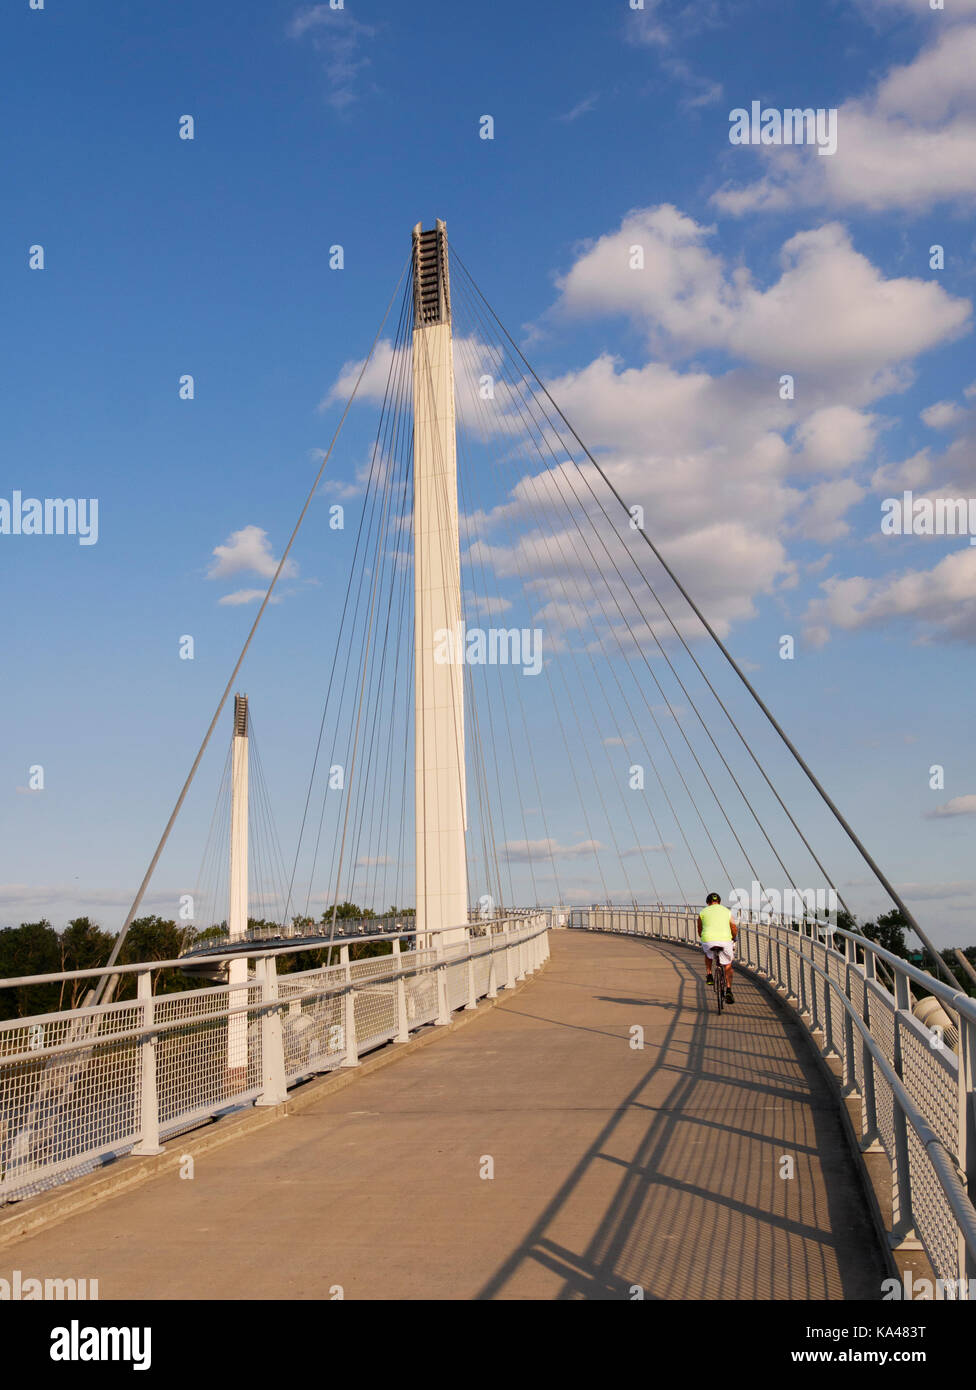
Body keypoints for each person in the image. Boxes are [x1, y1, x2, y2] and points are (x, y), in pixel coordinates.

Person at [698, 892, 737, 1004]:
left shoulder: (702, 912)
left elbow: (700, 930)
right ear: (719, 902)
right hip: (725, 941)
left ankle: (709, 974)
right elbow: (733, 927)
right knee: (728, 964)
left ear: (707, 902)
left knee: (708, 954)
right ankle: (729, 990)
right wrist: (733, 938)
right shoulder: (727, 911)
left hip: (708, 940)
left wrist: (705, 938)